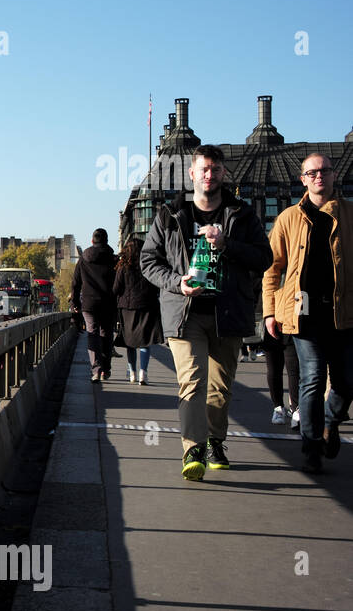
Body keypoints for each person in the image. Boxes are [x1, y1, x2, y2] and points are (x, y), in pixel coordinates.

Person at [140, 144, 272, 480]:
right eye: (203, 170)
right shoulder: (170, 216)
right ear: (192, 174)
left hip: (227, 312)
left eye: (215, 170)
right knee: (192, 383)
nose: (209, 175)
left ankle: (215, 442)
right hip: (184, 314)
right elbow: (148, 261)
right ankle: (192, 449)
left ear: (223, 173)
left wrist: (227, 244)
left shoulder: (241, 215)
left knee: (220, 386)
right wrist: (177, 282)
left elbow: (263, 258)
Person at [261, 152, 353, 473]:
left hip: (343, 313)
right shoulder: (288, 218)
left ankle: (330, 423)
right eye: (312, 173)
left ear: (333, 175)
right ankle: (311, 444)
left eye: (324, 171)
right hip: (303, 313)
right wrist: (270, 311)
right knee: (312, 378)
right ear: (303, 179)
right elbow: (272, 269)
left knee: (345, 383)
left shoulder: (348, 213)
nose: (318, 177)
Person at [71, 228, 118, 382]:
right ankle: (106, 369)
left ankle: (96, 369)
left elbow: (76, 283)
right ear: (106, 241)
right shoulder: (113, 259)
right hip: (108, 302)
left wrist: (75, 304)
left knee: (92, 332)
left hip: (89, 303)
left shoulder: (83, 259)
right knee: (106, 334)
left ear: (92, 241)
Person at [113, 237, 162, 384]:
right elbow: (156, 285)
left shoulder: (122, 267)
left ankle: (132, 372)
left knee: (130, 342)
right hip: (147, 306)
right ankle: (143, 373)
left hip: (127, 308)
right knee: (145, 341)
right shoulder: (148, 265)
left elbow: (116, 288)